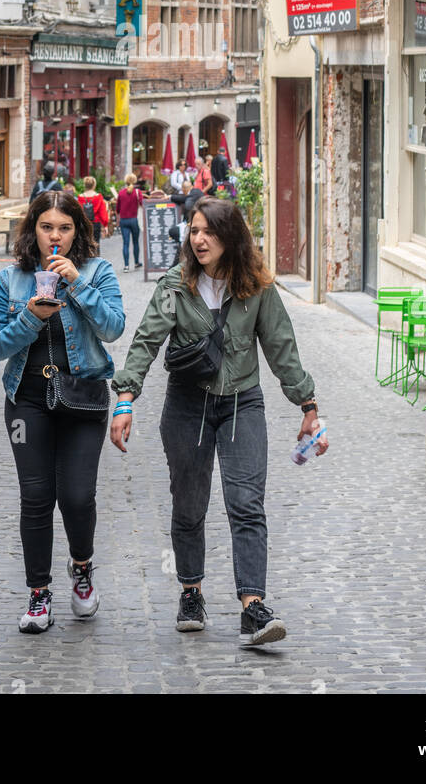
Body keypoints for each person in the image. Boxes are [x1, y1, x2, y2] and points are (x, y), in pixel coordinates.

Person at [110, 197, 327, 646]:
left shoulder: (257, 286)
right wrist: (126, 398)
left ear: (231, 237)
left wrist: (307, 405)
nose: (199, 239)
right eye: (194, 231)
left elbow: (281, 346)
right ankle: (191, 591)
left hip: (242, 402)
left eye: (209, 231)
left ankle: (253, 608)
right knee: (189, 503)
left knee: (247, 503)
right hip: (188, 404)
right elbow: (147, 339)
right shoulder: (176, 283)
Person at [0, 192, 125, 634]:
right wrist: (28, 317)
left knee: (78, 497)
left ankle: (81, 567)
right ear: (34, 230)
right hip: (27, 400)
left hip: (83, 398)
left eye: (65, 228)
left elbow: (114, 327)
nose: (55, 237)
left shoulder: (98, 272)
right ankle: (38, 594)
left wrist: (78, 284)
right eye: (47, 227)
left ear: (77, 232)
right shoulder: (10, 279)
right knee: (37, 497)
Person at [116, 173, 144, 273]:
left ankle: (126, 266)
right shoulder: (137, 192)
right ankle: (136, 262)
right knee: (136, 242)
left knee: (125, 243)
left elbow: (118, 209)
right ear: (135, 181)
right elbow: (142, 204)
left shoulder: (121, 193)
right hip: (134, 220)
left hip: (124, 220)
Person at [77, 177, 109, 253]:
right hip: (95, 224)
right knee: (96, 243)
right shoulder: (98, 197)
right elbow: (102, 212)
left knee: (85, 244)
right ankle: (96, 261)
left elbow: (78, 212)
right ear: (94, 185)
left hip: (84, 224)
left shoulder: (80, 197)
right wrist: (105, 225)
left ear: (85, 185)